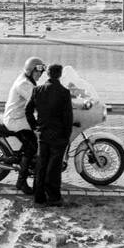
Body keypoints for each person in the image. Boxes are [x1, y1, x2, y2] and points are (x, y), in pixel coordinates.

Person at [26, 63, 74, 206]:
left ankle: (39, 197)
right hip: (58, 135)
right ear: (60, 75)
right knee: (54, 168)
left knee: (41, 165)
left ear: (47, 74)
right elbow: (68, 117)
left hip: (43, 134)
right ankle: (54, 197)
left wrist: (35, 127)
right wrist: (67, 135)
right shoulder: (64, 92)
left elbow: (28, 111)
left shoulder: (38, 90)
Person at [4, 56, 45, 195]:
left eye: (41, 72)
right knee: (33, 146)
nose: (39, 74)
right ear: (30, 70)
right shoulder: (24, 84)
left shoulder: (28, 81)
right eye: (37, 71)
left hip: (21, 118)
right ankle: (21, 182)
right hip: (16, 120)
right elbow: (38, 100)